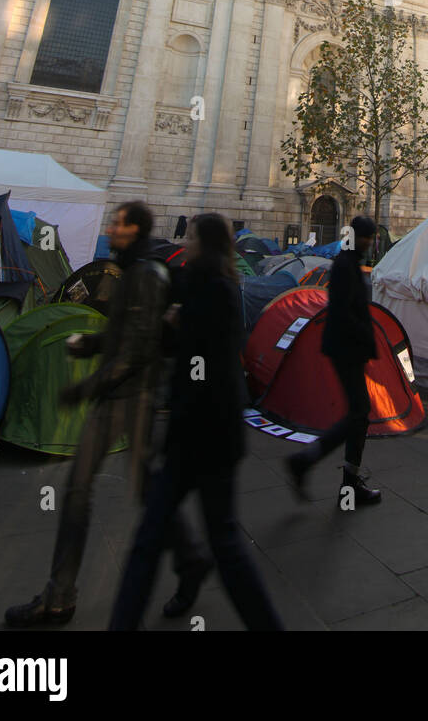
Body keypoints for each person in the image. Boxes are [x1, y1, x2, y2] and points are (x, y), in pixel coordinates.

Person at [5, 202, 206, 627]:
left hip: (133, 400)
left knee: (136, 492)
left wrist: (83, 388)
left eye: (119, 223)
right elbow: (122, 333)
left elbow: (138, 348)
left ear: (135, 230)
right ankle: (59, 596)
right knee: (83, 491)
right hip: (115, 394)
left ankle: (189, 558)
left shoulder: (148, 276)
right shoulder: (129, 271)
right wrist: (90, 345)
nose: (111, 227)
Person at [108, 213, 283, 631]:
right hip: (201, 435)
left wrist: (178, 325)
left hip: (203, 436)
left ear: (204, 245)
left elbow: (200, 362)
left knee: (205, 543)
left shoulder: (211, 291)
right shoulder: (212, 287)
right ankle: (190, 575)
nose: (184, 244)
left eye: (189, 238)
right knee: (172, 537)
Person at [286, 215, 381, 507]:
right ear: (358, 237)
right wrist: (366, 336)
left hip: (349, 348)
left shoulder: (348, 262)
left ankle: (343, 482)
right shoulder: (344, 265)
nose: (370, 243)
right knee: (358, 414)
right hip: (346, 348)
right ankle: (316, 465)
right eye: (367, 237)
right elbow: (342, 312)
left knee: (358, 413)